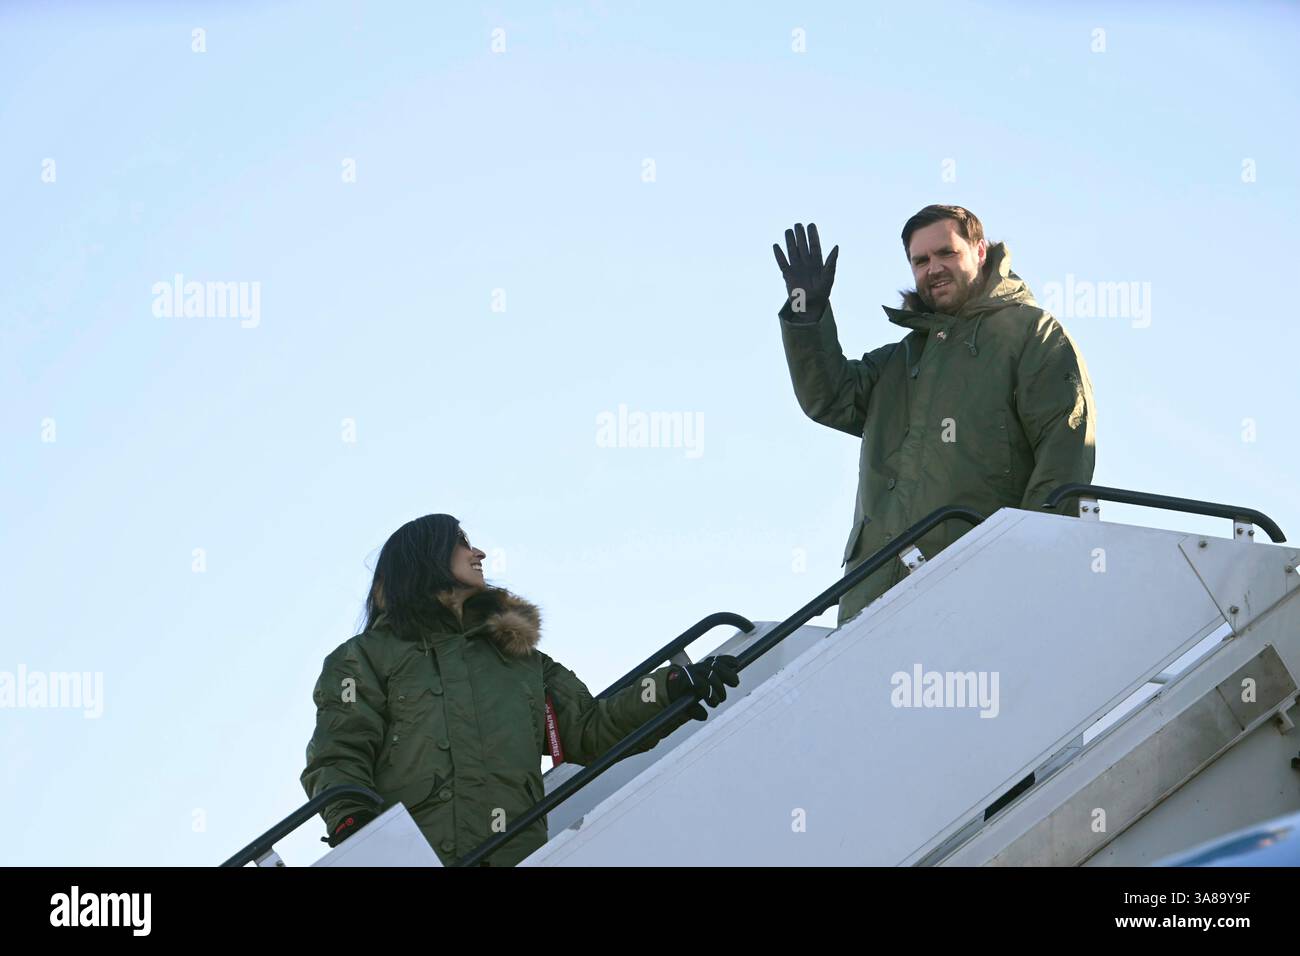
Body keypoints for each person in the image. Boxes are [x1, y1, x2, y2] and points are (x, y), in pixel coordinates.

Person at [300, 513, 739, 866]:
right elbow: (339, 753)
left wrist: (672, 686)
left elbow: (589, 728)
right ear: (424, 557)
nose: (479, 552)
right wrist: (356, 830)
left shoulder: (520, 658)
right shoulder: (366, 657)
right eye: (462, 541)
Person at [774, 205, 1096, 625]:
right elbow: (830, 398)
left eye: (946, 253)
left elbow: (1063, 455)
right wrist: (807, 313)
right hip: (871, 594)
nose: (934, 268)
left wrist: (1028, 562)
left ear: (980, 251)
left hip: (977, 590)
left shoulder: (1032, 336)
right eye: (920, 261)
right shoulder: (900, 360)